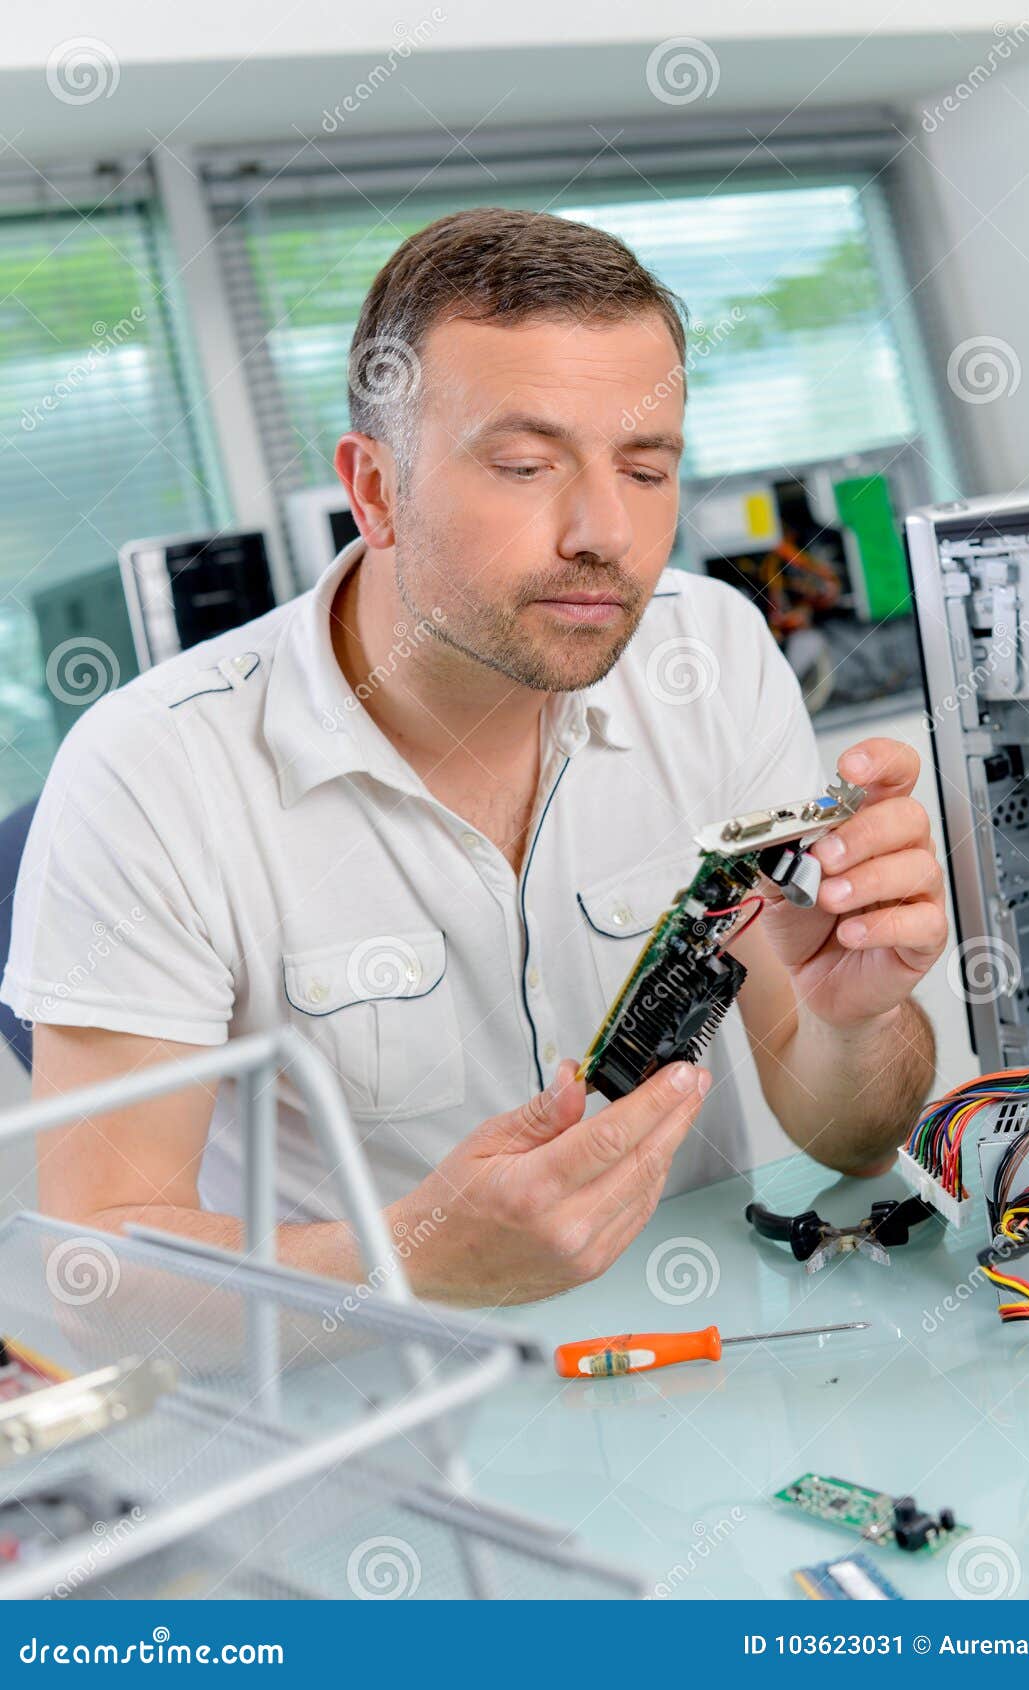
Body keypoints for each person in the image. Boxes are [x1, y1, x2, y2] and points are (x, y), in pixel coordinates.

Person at [2, 208, 946, 1307]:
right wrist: (410, 1263)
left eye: (645, 471)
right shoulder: (152, 768)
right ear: (375, 490)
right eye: (524, 464)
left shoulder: (717, 651)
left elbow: (850, 1140)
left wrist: (854, 1018)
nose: (603, 529)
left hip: (725, 1366)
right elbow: (97, 1267)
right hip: (396, 1411)